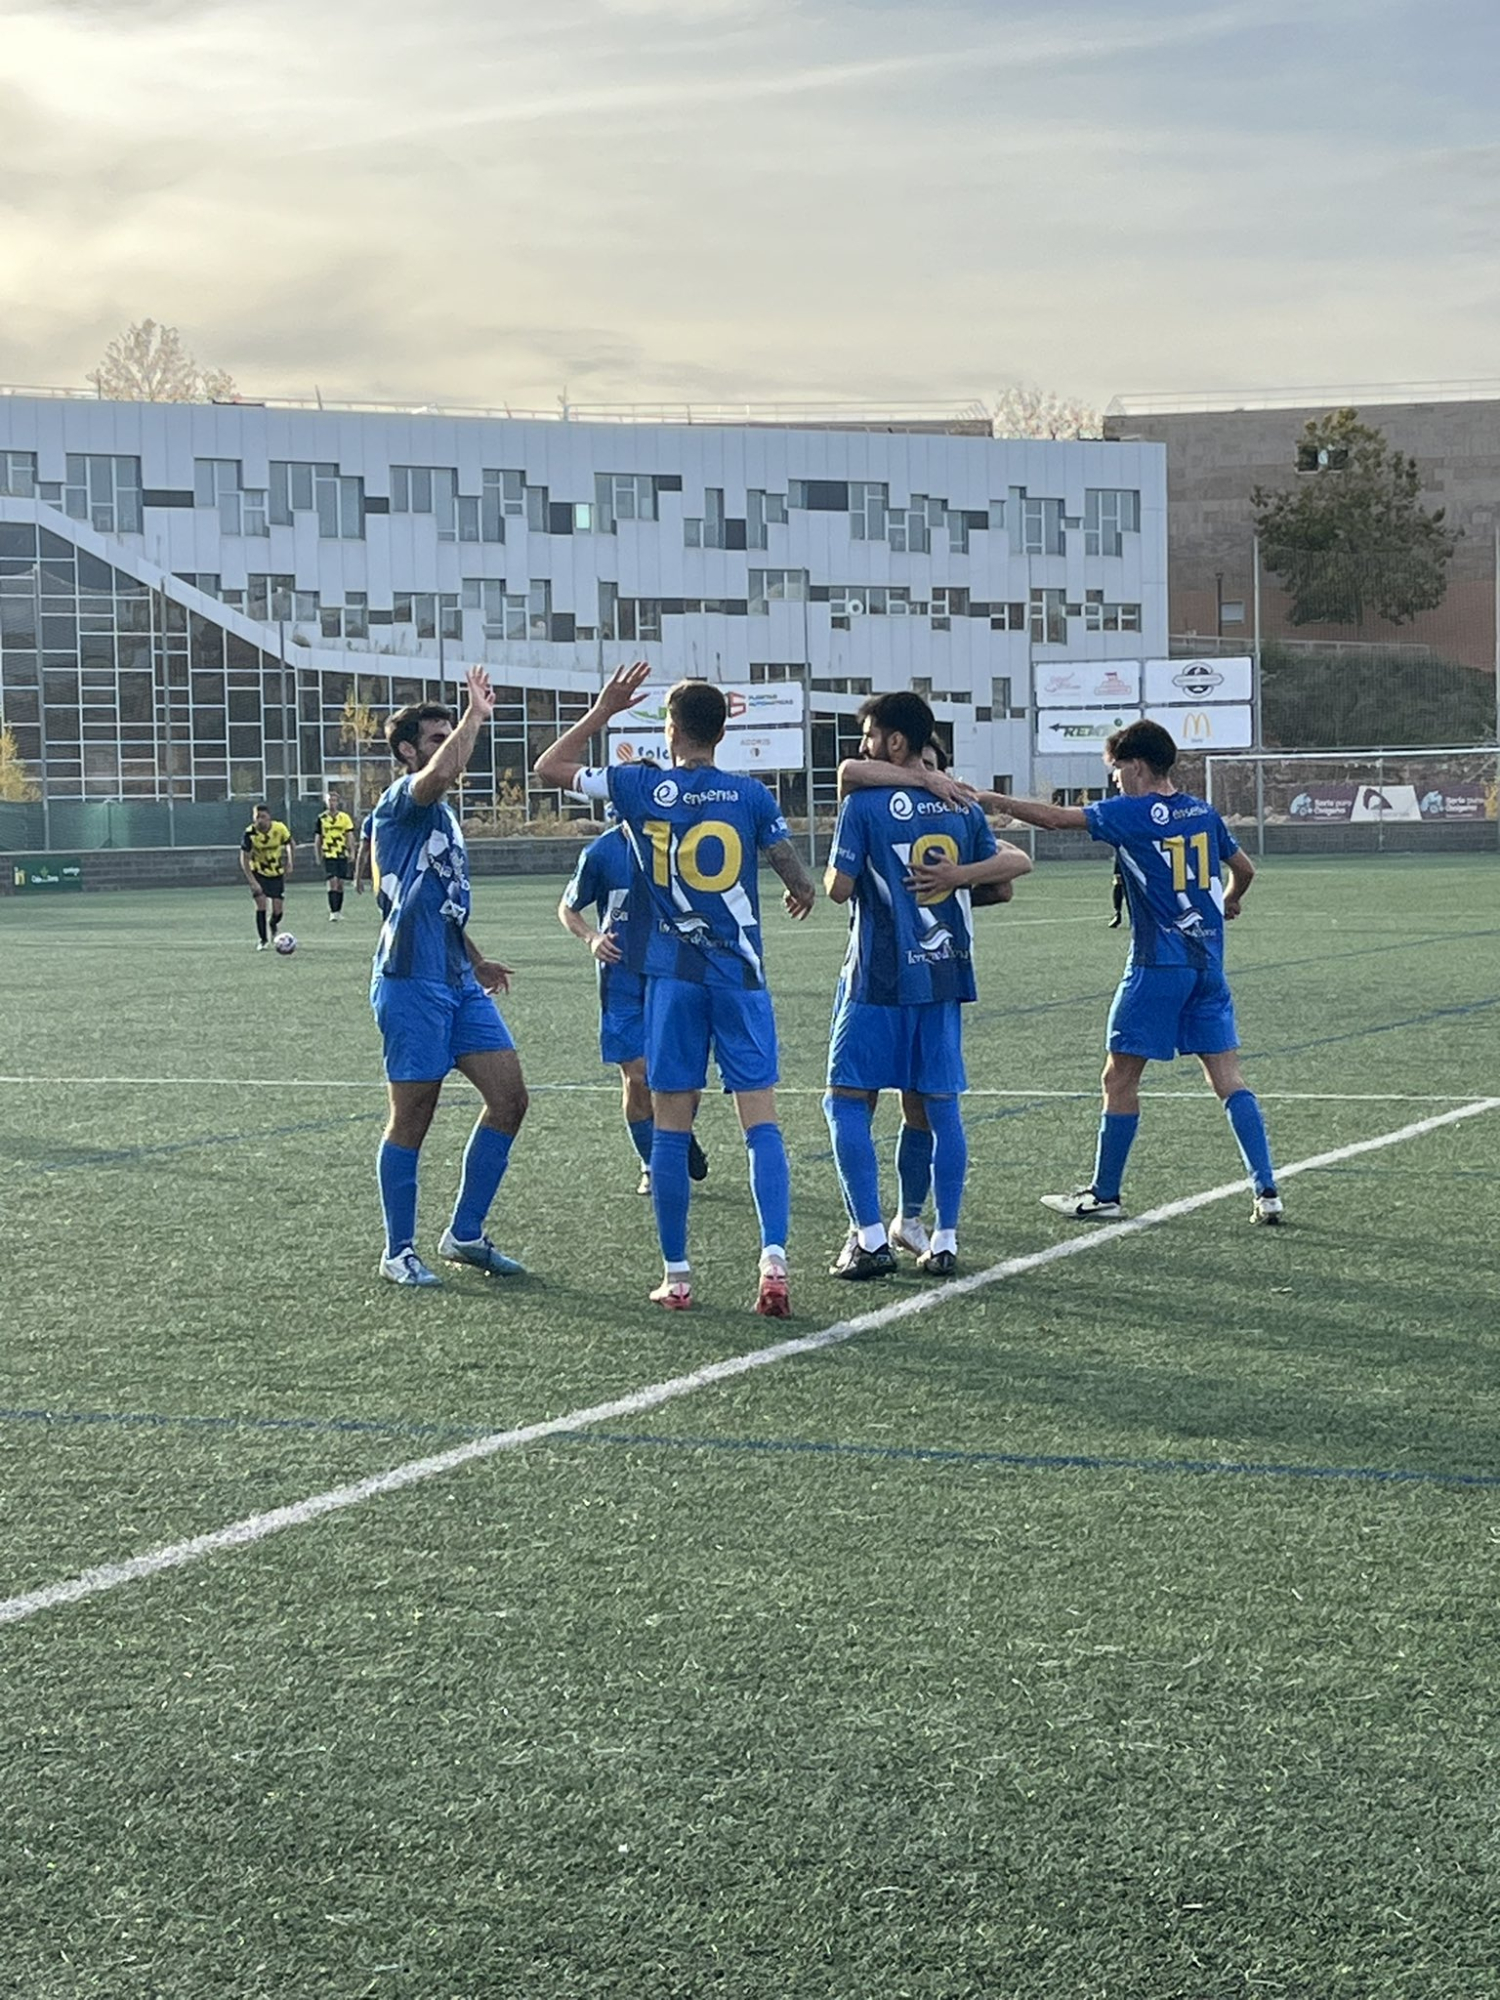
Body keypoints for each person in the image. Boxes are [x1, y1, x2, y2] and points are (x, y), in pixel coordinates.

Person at [534, 664, 817, 1316]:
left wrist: (603, 710)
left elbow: (551, 767)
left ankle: (678, 1275)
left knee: (670, 1127)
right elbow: (794, 872)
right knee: (761, 1122)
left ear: (669, 730)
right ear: (723, 732)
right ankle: (773, 1258)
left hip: (672, 980)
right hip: (740, 975)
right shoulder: (749, 794)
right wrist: (797, 889)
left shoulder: (640, 786)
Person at [980, 718, 1283, 1224]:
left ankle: (1105, 1193)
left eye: (1117, 769)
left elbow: (1055, 820)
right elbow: (1245, 869)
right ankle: (1267, 1190)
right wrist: (1229, 900)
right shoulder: (1202, 812)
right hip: (1208, 965)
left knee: (1118, 1078)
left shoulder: (1133, 813)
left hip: (1157, 966)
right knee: (1228, 1079)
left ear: (1136, 766)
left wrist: (994, 800)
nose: (1115, 780)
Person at [823, 691, 1032, 1279]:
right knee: (938, 1107)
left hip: (879, 977)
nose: (863, 746)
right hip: (943, 975)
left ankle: (868, 1237)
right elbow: (1007, 872)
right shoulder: (961, 805)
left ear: (893, 741)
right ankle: (941, 1236)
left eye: (870, 734)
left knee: (844, 1101)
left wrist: (860, 872)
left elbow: (839, 887)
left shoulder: (864, 805)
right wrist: (960, 878)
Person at [370, 666, 529, 1287]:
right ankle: (398, 1250)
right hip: (410, 981)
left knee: (511, 1099)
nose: (448, 745)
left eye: (450, 733)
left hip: (456, 977)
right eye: (436, 737)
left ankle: (464, 1233)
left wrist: (475, 955)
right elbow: (441, 775)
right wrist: (476, 717)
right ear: (409, 751)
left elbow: (434, 898)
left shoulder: (444, 818)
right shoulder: (403, 801)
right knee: (414, 1115)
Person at [558, 817, 709, 1196]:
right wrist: (591, 937)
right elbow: (568, 907)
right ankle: (653, 1164)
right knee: (638, 1075)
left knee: (683, 1081)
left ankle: (677, 1132)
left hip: (676, 972)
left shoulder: (682, 844)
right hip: (621, 976)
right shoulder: (602, 851)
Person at [240, 802, 294, 950]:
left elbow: (290, 843)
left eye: (263, 817)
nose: (260, 820)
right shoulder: (249, 833)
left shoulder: (279, 828)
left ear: (269, 817)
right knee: (261, 904)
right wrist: (252, 881)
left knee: (278, 910)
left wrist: (290, 862)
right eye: (257, 817)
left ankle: (273, 923)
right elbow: (244, 859)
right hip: (258, 873)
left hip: (276, 873)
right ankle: (263, 940)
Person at [314, 788, 356, 921]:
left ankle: (338, 910)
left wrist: (352, 851)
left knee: (340, 883)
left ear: (338, 802)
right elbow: (318, 839)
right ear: (326, 802)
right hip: (329, 854)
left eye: (334, 800)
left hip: (341, 853)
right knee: (332, 882)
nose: (332, 803)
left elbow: (349, 836)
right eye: (329, 800)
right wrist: (318, 854)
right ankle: (333, 912)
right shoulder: (321, 819)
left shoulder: (344, 818)